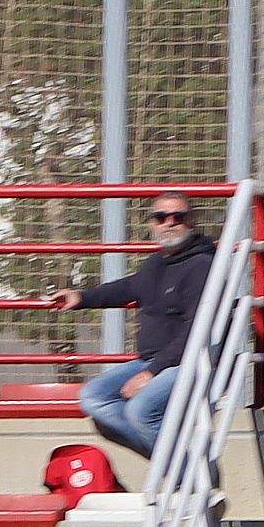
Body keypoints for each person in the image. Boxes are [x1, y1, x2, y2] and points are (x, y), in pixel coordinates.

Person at [44, 195, 214, 459]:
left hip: (187, 362)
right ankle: (181, 466)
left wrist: (151, 373)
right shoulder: (156, 264)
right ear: (152, 224)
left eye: (178, 218)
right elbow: (127, 288)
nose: (169, 223)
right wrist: (81, 297)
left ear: (191, 224)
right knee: (94, 398)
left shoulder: (202, 266)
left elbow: (196, 332)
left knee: (140, 412)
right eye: (161, 217)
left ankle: (186, 475)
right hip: (151, 361)